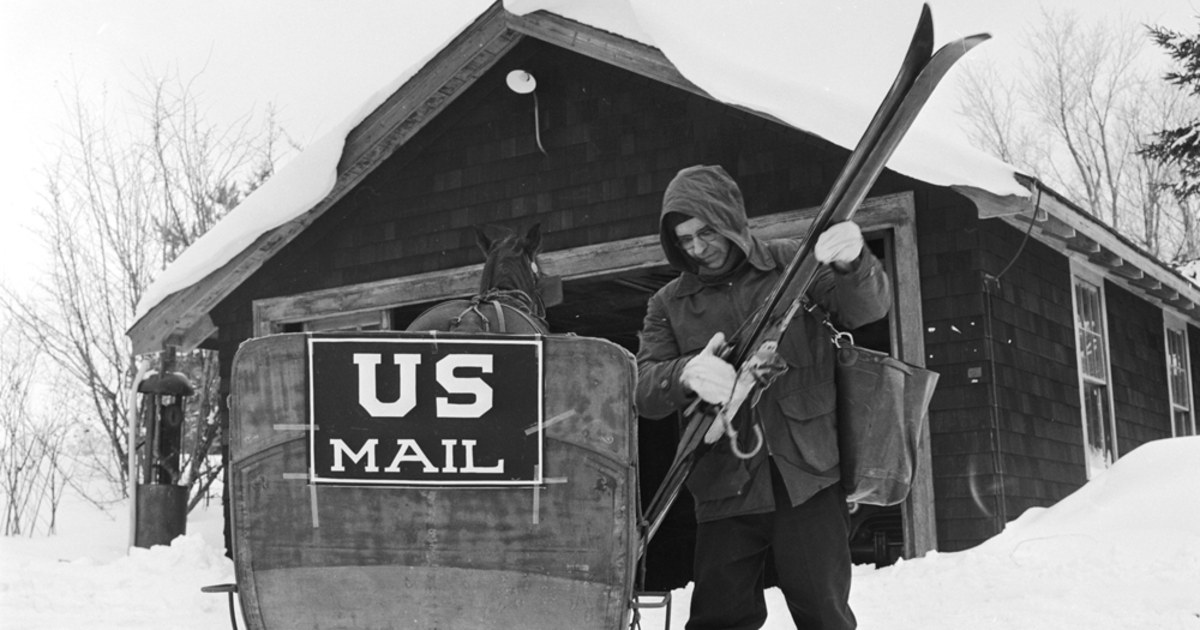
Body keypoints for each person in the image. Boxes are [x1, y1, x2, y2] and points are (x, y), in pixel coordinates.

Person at [635, 165, 891, 630]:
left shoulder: (793, 264)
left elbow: (865, 308)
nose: (696, 248)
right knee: (719, 619)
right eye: (684, 239)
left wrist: (856, 263)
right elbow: (645, 388)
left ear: (729, 217)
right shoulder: (667, 304)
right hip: (722, 482)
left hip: (807, 472)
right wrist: (685, 373)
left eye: (705, 231)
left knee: (824, 613)